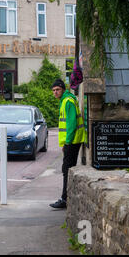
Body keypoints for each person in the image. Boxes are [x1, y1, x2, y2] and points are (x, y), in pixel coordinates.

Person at [50, 79, 87, 209]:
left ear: (63, 89)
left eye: (57, 90)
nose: (55, 92)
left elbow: (71, 124)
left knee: (67, 169)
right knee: (67, 169)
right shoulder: (66, 100)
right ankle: (67, 197)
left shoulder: (68, 101)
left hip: (72, 141)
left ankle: (65, 199)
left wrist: (67, 143)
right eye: (53, 90)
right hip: (73, 141)